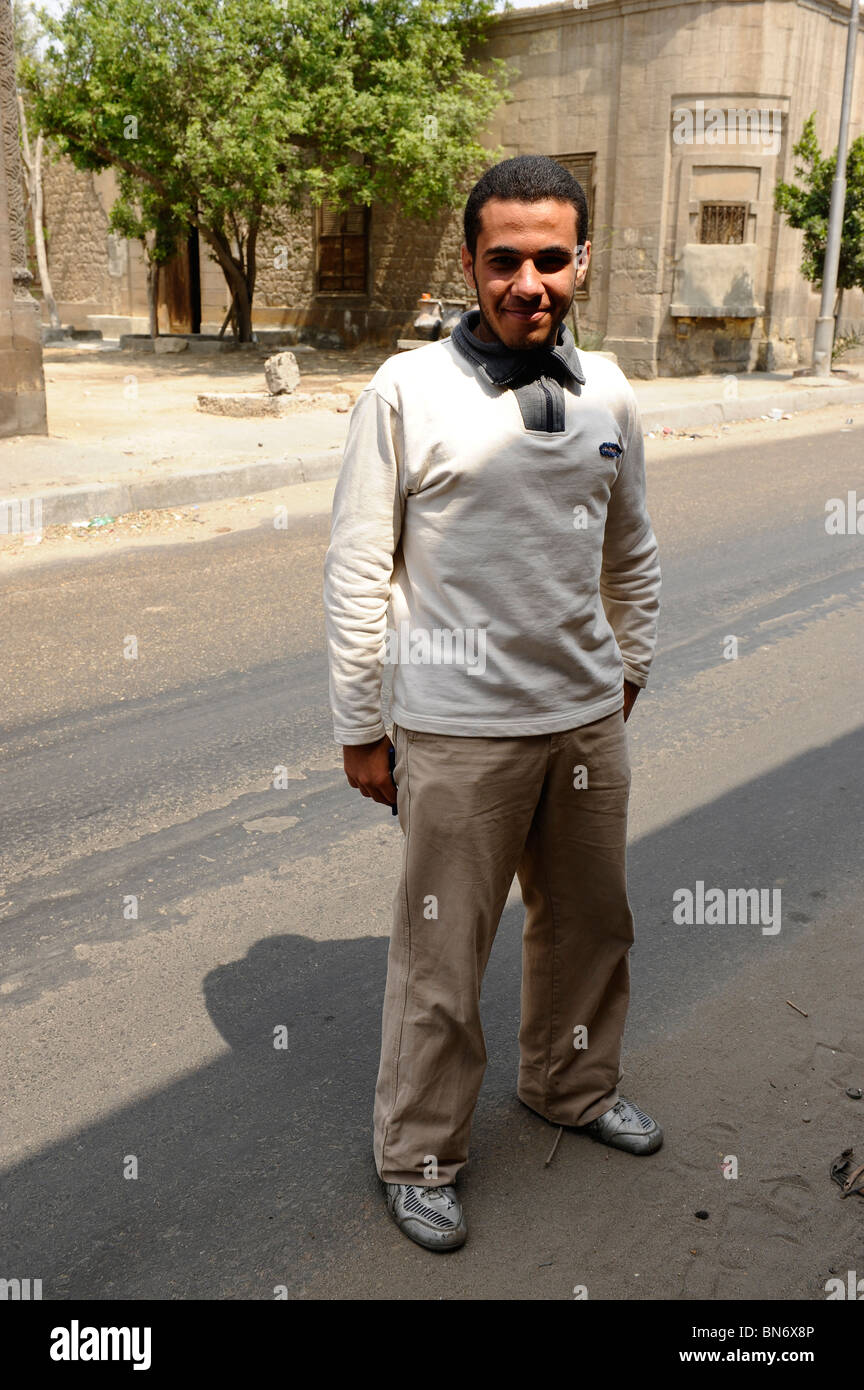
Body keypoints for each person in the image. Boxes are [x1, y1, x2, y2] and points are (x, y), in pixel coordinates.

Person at [323, 154, 662, 1253]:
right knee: (441, 957)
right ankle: (420, 1155)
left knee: (590, 929)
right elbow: (356, 568)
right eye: (504, 259)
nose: (529, 281)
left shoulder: (610, 390)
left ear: (582, 262)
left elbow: (633, 550)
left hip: (582, 722)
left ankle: (569, 1084)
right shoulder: (405, 391)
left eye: (551, 258)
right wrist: (360, 723)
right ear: (470, 262)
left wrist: (631, 667)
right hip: (456, 732)